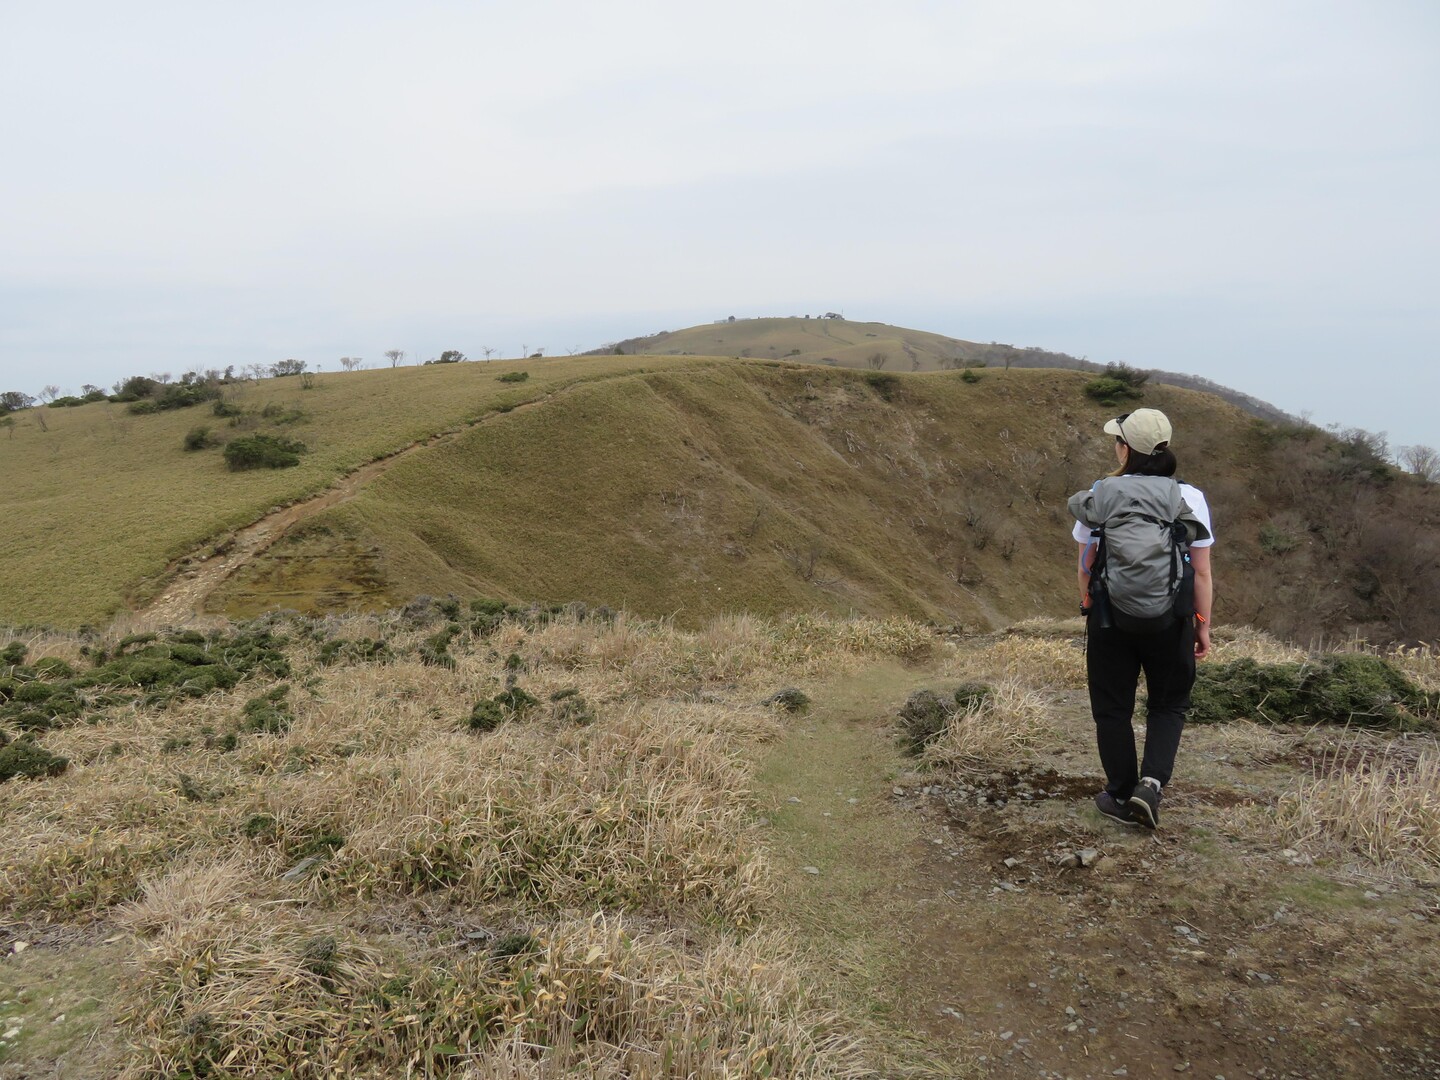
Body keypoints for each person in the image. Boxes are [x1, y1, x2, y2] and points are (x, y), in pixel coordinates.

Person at [1069, 408, 1213, 829]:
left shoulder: (1101, 493)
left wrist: (1091, 603)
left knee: (1112, 707)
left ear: (1125, 448)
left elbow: (1086, 563)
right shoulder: (1188, 497)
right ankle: (1150, 785)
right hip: (1172, 618)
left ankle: (1119, 792)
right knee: (1168, 704)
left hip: (1110, 618)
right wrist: (1202, 625)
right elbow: (1202, 571)